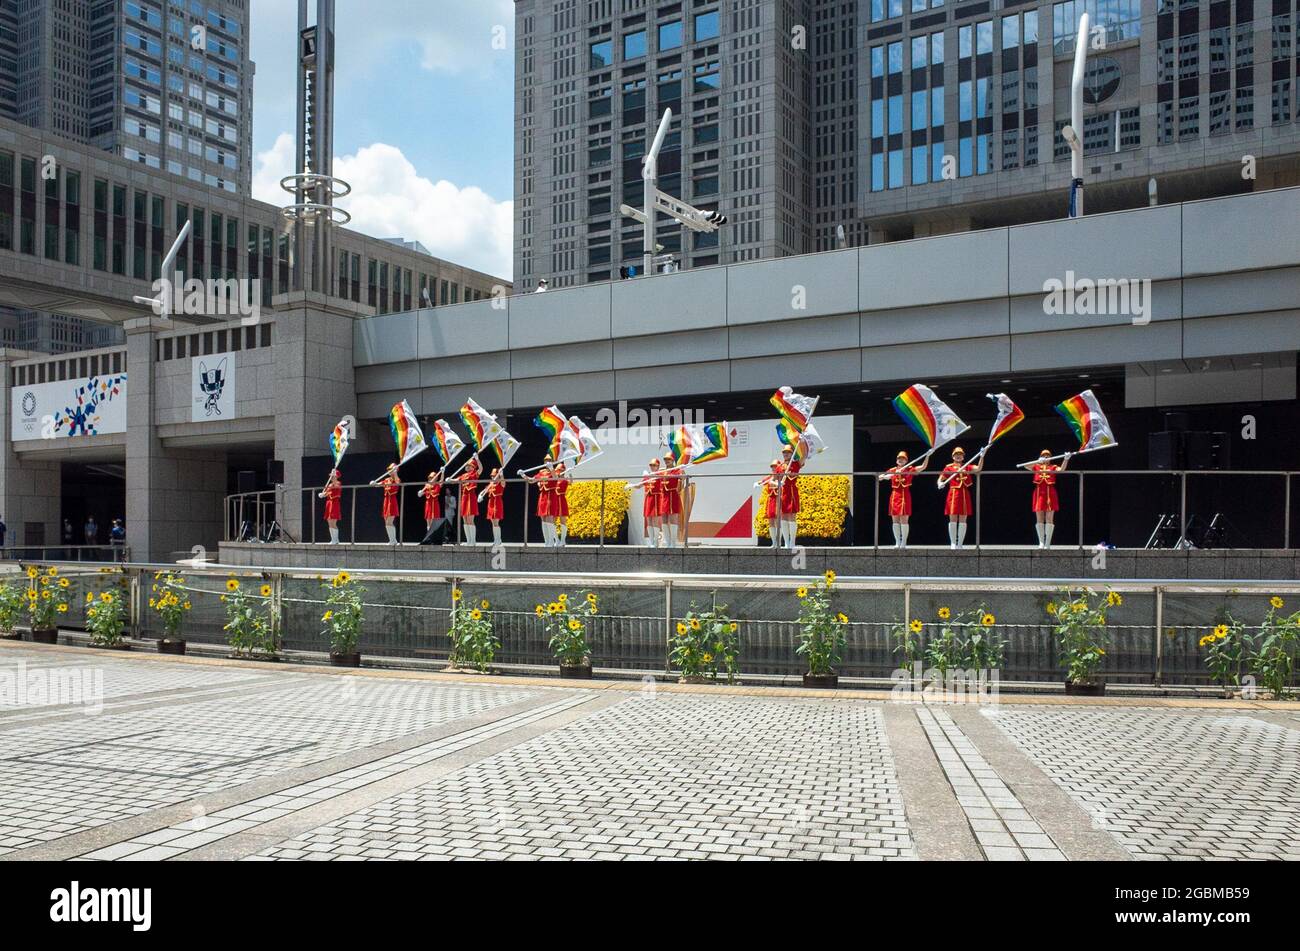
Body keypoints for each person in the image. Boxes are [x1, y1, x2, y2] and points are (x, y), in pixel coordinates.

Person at [879, 450, 928, 548]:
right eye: (899, 458)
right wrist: (884, 476)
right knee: (895, 520)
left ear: (906, 460)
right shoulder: (893, 470)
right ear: (896, 460)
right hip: (895, 496)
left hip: (905, 495)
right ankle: (897, 542)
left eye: (903, 458)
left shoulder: (910, 469)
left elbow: (923, 467)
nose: (901, 460)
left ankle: (904, 542)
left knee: (904, 520)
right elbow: (880, 478)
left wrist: (927, 456)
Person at [938, 445, 984, 549]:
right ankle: (953, 543)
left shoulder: (967, 466)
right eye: (956, 455)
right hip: (953, 493)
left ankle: (960, 544)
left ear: (963, 457)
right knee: (953, 518)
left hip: (964, 493)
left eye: (960, 455)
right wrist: (939, 483)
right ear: (953, 457)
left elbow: (979, 468)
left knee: (963, 518)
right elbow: (941, 478)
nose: (958, 456)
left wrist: (982, 457)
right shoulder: (948, 467)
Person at [1030, 450, 1072, 549]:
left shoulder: (1052, 467)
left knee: (1049, 518)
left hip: (1050, 493)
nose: (1045, 457)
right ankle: (1041, 542)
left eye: (1047, 455)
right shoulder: (1037, 466)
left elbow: (1061, 469)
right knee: (1039, 518)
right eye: (1044, 455)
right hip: (1039, 493)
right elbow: (1026, 466)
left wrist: (1066, 459)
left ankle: (1048, 543)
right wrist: (1037, 461)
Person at [520, 455, 557, 545]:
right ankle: (547, 541)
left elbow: (556, 479)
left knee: (549, 518)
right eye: (546, 460)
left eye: (549, 460)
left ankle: (552, 541)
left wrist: (552, 469)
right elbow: (532, 480)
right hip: (543, 496)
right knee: (543, 519)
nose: (547, 461)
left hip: (550, 496)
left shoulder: (554, 471)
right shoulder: (541, 472)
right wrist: (523, 475)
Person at [777, 441, 806, 551]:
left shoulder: (795, 464)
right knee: (783, 517)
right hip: (783, 493)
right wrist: (778, 483)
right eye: (784, 452)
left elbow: (804, 456)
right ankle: (786, 542)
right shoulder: (780, 466)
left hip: (792, 492)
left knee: (792, 517)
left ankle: (793, 541)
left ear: (792, 453)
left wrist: (802, 442)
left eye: (788, 452)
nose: (786, 454)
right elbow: (775, 480)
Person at [658, 452, 684, 547]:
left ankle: (673, 543)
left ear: (673, 460)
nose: (666, 461)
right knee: (664, 519)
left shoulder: (677, 470)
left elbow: (682, 478)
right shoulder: (662, 471)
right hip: (664, 496)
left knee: (673, 519)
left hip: (673, 495)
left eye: (668, 459)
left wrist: (681, 471)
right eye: (665, 459)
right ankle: (668, 542)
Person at [759, 458, 785, 547]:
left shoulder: (782, 477)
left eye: (775, 467)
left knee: (778, 521)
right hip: (771, 500)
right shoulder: (770, 477)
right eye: (773, 467)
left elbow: (782, 485)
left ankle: (779, 542)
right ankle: (773, 542)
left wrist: (774, 482)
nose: (774, 469)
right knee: (771, 521)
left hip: (778, 499)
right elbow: (763, 481)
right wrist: (758, 483)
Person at [457, 457, 482, 545]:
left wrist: (477, 459)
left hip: (471, 496)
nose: (467, 467)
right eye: (467, 465)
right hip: (464, 497)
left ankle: (473, 541)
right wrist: (449, 479)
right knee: (464, 519)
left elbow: (481, 469)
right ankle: (468, 541)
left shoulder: (475, 473)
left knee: (470, 519)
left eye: (469, 465)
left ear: (473, 467)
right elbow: (456, 480)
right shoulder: (463, 475)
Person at [638, 458, 663, 546]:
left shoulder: (660, 475)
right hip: (648, 499)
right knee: (648, 520)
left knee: (655, 521)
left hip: (656, 498)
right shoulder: (647, 476)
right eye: (651, 465)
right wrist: (631, 486)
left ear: (658, 466)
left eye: (654, 465)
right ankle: (651, 541)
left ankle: (656, 541)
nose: (652, 467)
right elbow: (639, 486)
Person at [377, 463, 401, 545]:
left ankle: (394, 541)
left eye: (391, 469)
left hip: (392, 501)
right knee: (386, 522)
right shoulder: (387, 479)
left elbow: (398, 483)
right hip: (386, 501)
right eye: (389, 470)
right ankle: (392, 540)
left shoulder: (396, 479)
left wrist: (395, 473)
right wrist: (374, 483)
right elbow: (380, 484)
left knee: (389, 522)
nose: (389, 471)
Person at [482, 467, 506, 545]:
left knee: (496, 522)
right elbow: (485, 491)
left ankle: (498, 540)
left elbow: (503, 483)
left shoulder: (500, 483)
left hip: (497, 502)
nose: (493, 477)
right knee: (492, 522)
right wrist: (480, 495)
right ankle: (496, 540)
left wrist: (501, 475)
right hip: (491, 502)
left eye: (494, 476)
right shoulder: (490, 484)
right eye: (492, 476)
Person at [319, 469, 343, 544]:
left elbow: (336, 487)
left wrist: (334, 475)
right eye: (331, 476)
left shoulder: (338, 483)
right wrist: (322, 495)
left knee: (333, 522)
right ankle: (333, 539)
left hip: (335, 503)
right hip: (329, 503)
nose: (331, 477)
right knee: (329, 521)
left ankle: (336, 540)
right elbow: (327, 492)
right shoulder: (329, 485)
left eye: (333, 476)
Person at [419, 469, 444, 538]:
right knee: (428, 520)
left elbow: (441, 481)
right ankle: (429, 537)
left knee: (434, 521)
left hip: (435, 504)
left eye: (432, 477)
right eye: (430, 478)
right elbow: (422, 492)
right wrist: (421, 492)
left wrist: (442, 473)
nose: (430, 479)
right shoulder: (427, 485)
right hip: (428, 504)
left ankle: (434, 537)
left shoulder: (437, 485)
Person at [551, 461, 571, 547]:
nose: (558, 471)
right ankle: (557, 540)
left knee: (563, 522)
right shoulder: (553, 479)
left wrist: (569, 474)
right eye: (558, 470)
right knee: (553, 522)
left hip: (562, 500)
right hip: (555, 500)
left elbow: (570, 481)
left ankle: (563, 540)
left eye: (559, 470)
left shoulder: (565, 480)